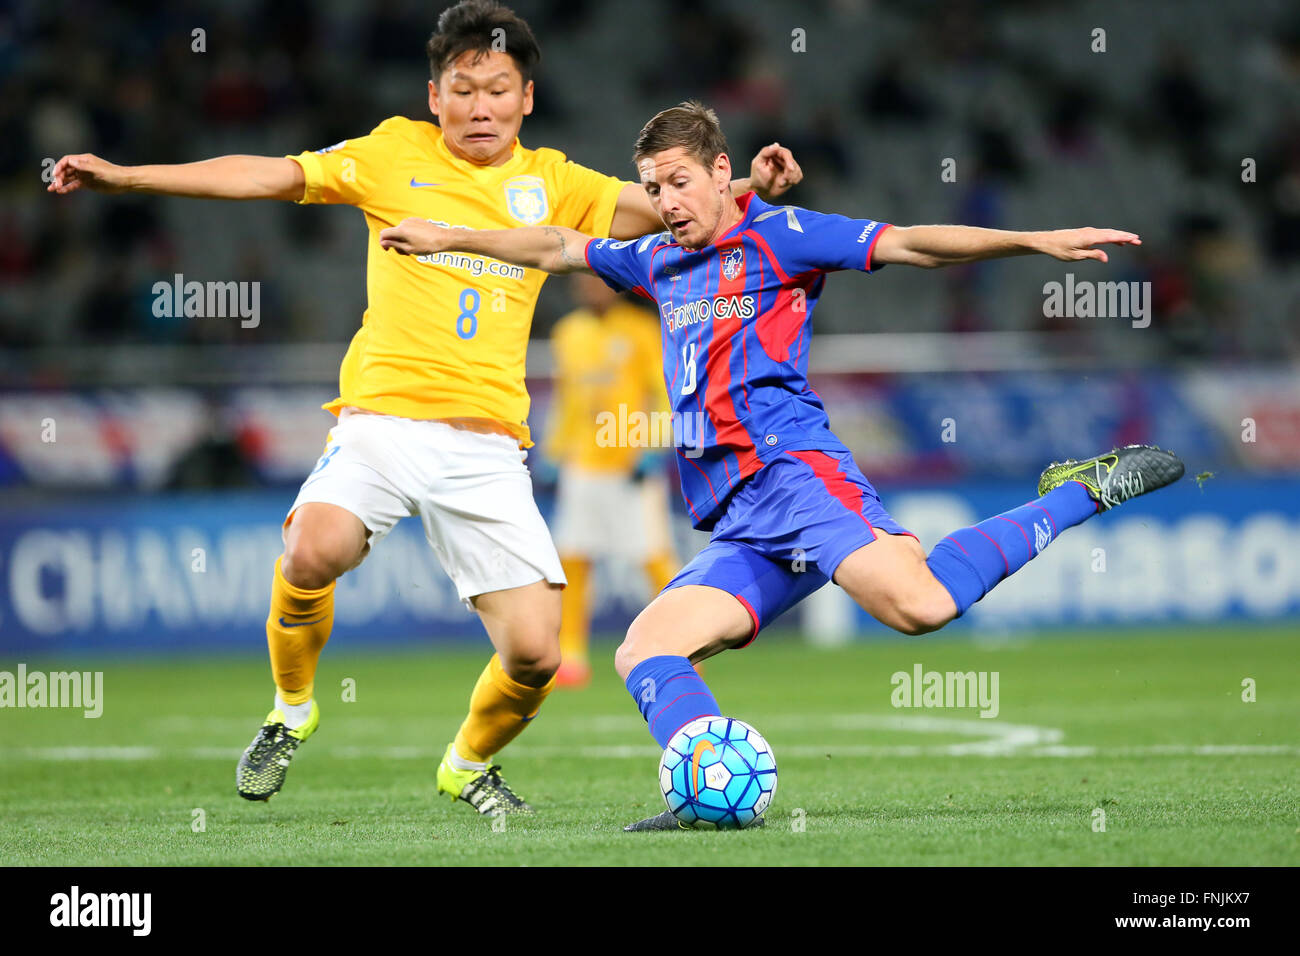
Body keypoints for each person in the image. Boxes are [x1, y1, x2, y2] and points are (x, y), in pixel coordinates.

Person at [47, 4, 802, 819]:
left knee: (537, 654)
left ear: (528, 98)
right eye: (464, 89)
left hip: (486, 447)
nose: (481, 107)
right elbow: (270, 172)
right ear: (434, 95)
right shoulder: (389, 151)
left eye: (498, 90)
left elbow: (676, 210)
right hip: (383, 421)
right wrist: (127, 176)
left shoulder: (557, 182)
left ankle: (465, 762)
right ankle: (292, 707)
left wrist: (750, 188)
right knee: (311, 548)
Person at [377, 99, 1185, 831]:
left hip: (796, 477)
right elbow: (557, 244)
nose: (666, 203)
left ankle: (1078, 490)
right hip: (739, 517)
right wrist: (451, 237)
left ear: (720, 172)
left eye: (681, 183)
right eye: (654, 189)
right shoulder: (657, 260)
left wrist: (1029, 241)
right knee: (643, 650)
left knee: (921, 607)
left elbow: (909, 246)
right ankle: (701, 792)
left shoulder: (782, 236)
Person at [546, 274, 679, 687]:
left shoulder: (641, 330)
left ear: (614, 286)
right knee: (572, 556)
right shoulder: (567, 333)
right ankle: (571, 653)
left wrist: (655, 446)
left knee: (653, 556)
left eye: (598, 285)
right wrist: (554, 452)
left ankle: (680, 643)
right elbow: (567, 397)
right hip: (582, 464)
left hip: (629, 462)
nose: (590, 292)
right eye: (583, 286)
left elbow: (664, 390)